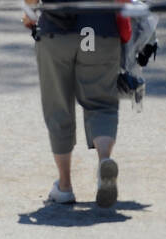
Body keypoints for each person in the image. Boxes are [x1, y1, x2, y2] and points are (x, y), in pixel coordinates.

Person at [22, 1, 121, 207]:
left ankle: (65, 186)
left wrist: (29, 14)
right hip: (100, 30)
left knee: (57, 106)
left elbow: (31, 3)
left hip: (56, 32)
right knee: (101, 103)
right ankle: (104, 160)